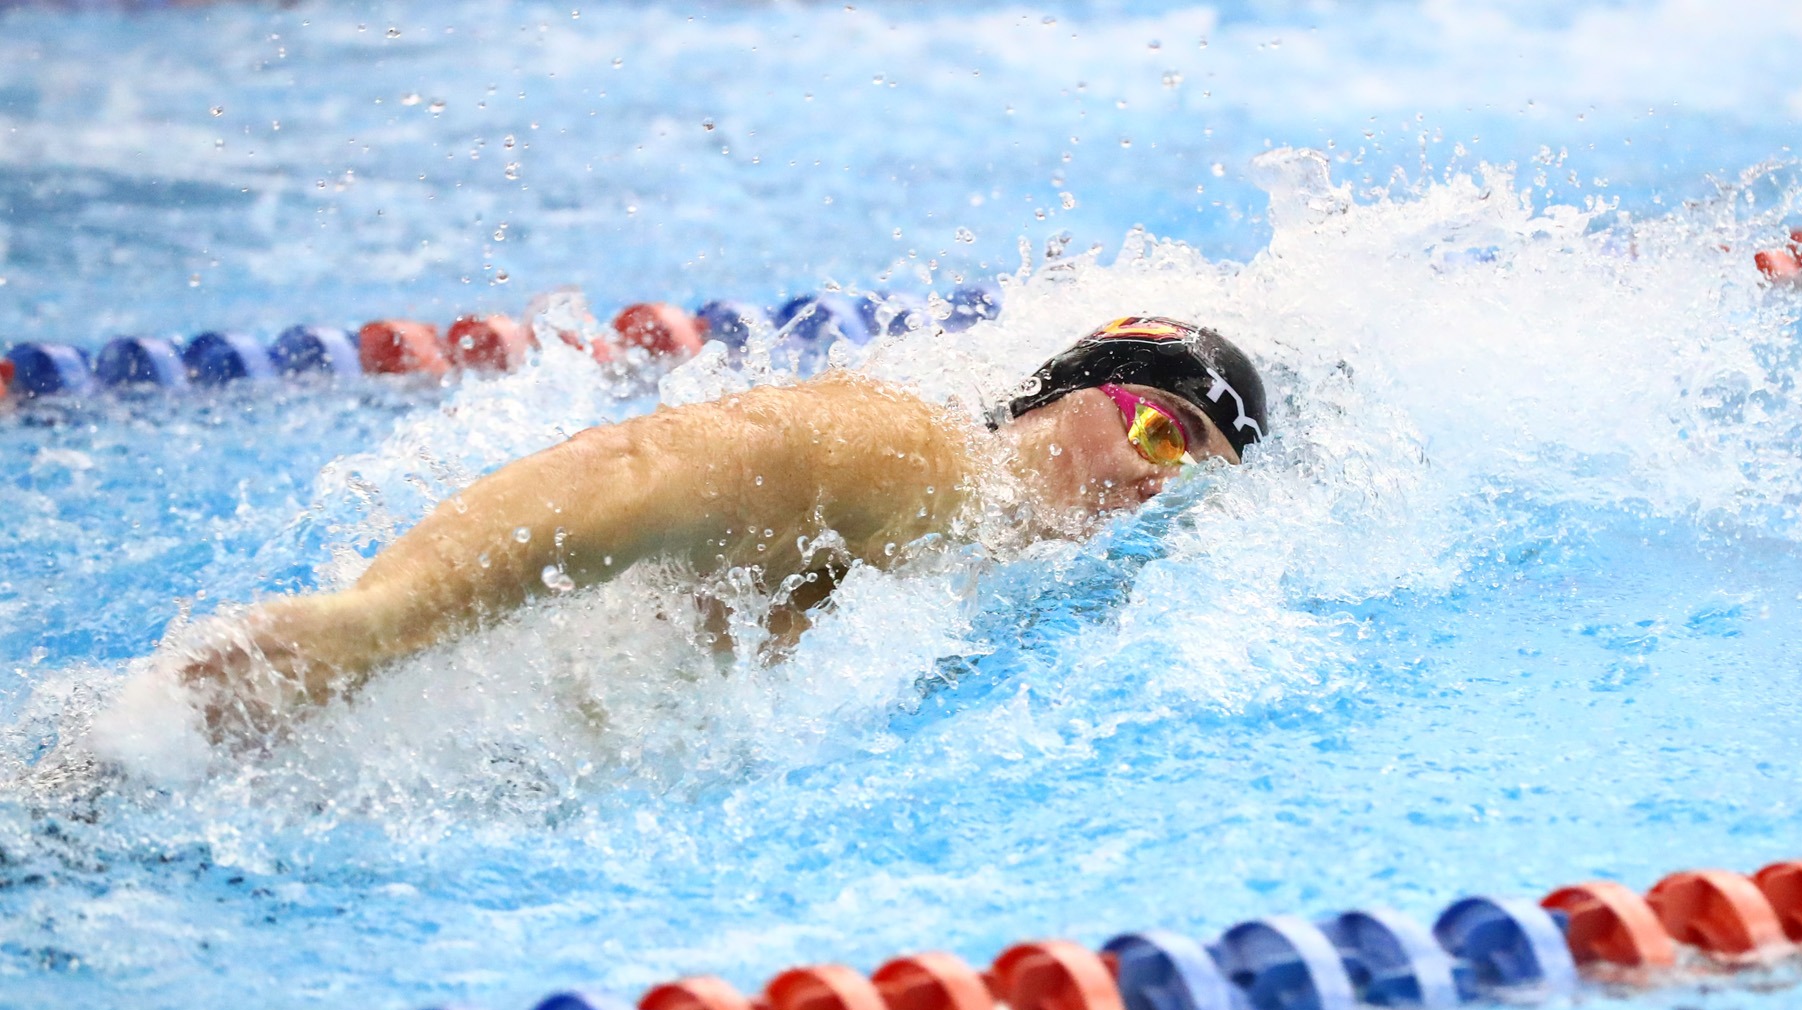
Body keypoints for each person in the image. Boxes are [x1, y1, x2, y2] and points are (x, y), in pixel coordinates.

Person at [173, 315, 1272, 736]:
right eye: (1160, 431)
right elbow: (647, 462)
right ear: (1068, 390)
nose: (1159, 481)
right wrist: (380, 620)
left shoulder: (990, 555)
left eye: (1193, 472)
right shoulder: (924, 459)